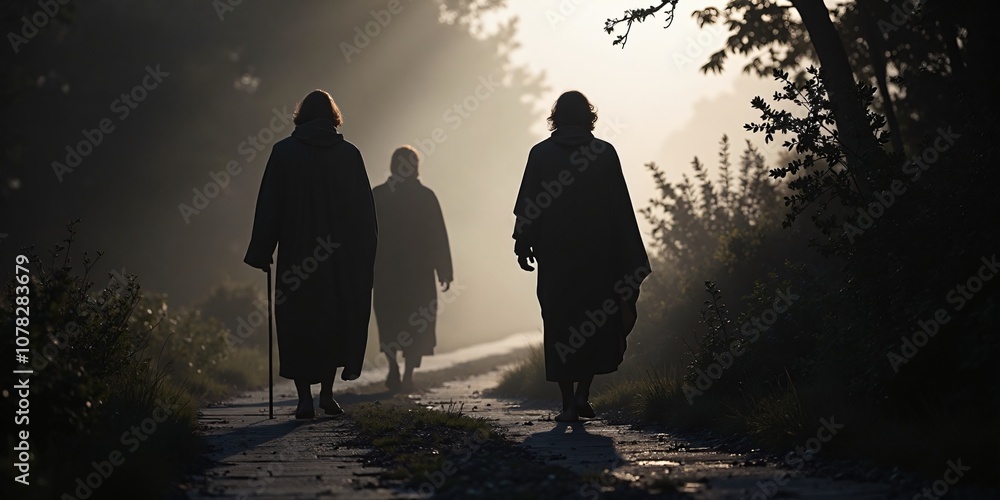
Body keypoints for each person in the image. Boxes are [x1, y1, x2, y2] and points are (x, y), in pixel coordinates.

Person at [512, 90, 650, 422]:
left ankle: (566, 403)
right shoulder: (604, 154)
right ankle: (582, 395)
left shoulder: (541, 154)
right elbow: (620, 211)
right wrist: (626, 256)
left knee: (559, 324)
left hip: (556, 259)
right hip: (598, 260)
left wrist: (523, 243)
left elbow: (530, 206)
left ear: (556, 117)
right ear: (589, 116)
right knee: (595, 325)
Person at [244, 89, 378, 419]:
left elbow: (269, 206)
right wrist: (365, 253)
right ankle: (327, 396)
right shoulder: (349, 155)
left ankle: (304, 399)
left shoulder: (283, 153)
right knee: (334, 321)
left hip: (296, 256)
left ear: (300, 117)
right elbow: (364, 213)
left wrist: (263, 250)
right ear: (333, 117)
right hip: (338, 260)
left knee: (298, 324)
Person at [372, 146, 453, 392]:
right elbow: (439, 235)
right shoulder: (426, 196)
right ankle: (406, 373)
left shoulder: (379, 195)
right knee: (417, 323)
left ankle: (393, 367)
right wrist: (444, 270)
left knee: (389, 321)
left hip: (385, 273)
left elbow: (366, 236)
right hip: (418, 274)